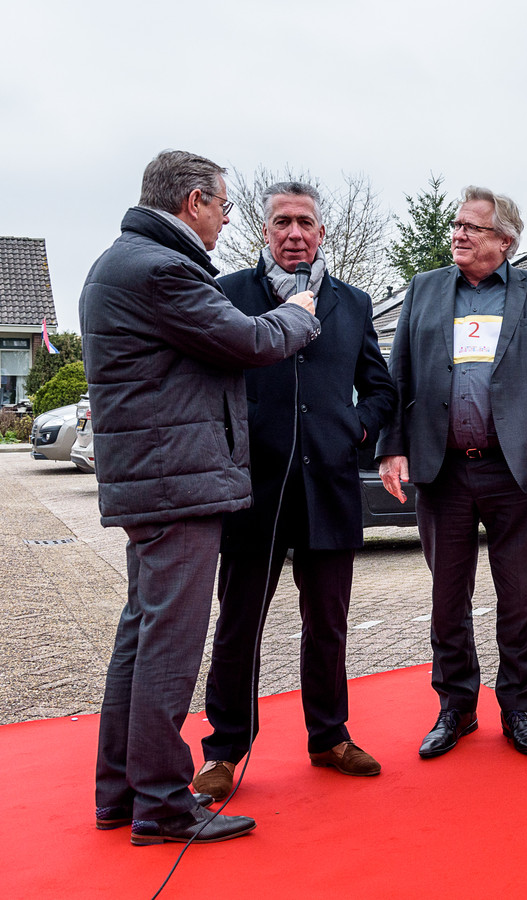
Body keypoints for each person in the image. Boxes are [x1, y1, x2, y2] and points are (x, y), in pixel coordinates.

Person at [81, 150, 319, 845]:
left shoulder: (124, 260)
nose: (224, 219)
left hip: (158, 479)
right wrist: (301, 312)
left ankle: (120, 791)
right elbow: (248, 339)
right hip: (176, 483)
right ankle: (160, 803)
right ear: (192, 202)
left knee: (142, 634)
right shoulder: (160, 269)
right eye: (222, 205)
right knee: (170, 645)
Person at [192, 182, 396, 802]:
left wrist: (355, 429)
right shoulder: (229, 293)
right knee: (239, 624)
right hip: (254, 491)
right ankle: (225, 749)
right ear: (264, 230)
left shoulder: (354, 304)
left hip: (329, 486)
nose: (294, 233)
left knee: (327, 623)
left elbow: (379, 387)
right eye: (282, 221)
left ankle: (329, 736)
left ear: (321, 233)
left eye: (305, 222)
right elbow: (205, 380)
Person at [377, 186, 527, 759]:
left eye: (473, 228)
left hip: (514, 472)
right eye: (458, 225)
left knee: (519, 596)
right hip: (441, 472)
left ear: (506, 241)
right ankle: (456, 707)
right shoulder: (426, 289)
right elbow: (400, 376)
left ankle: (517, 709)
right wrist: (393, 447)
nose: (459, 235)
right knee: (447, 596)